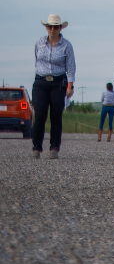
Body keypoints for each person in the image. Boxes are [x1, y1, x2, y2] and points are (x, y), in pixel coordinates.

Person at [31, 14, 75, 159]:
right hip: (41, 82)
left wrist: (70, 85)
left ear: (60, 28)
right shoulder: (39, 43)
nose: (52, 29)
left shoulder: (66, 45)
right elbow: (36, 60)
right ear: (46, 27)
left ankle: (54, 147)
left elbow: (71, 66)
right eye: (49, 27)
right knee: (40, 114)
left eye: (55, 27)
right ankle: (36, 147)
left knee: (56, 115)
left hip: (58, 82)